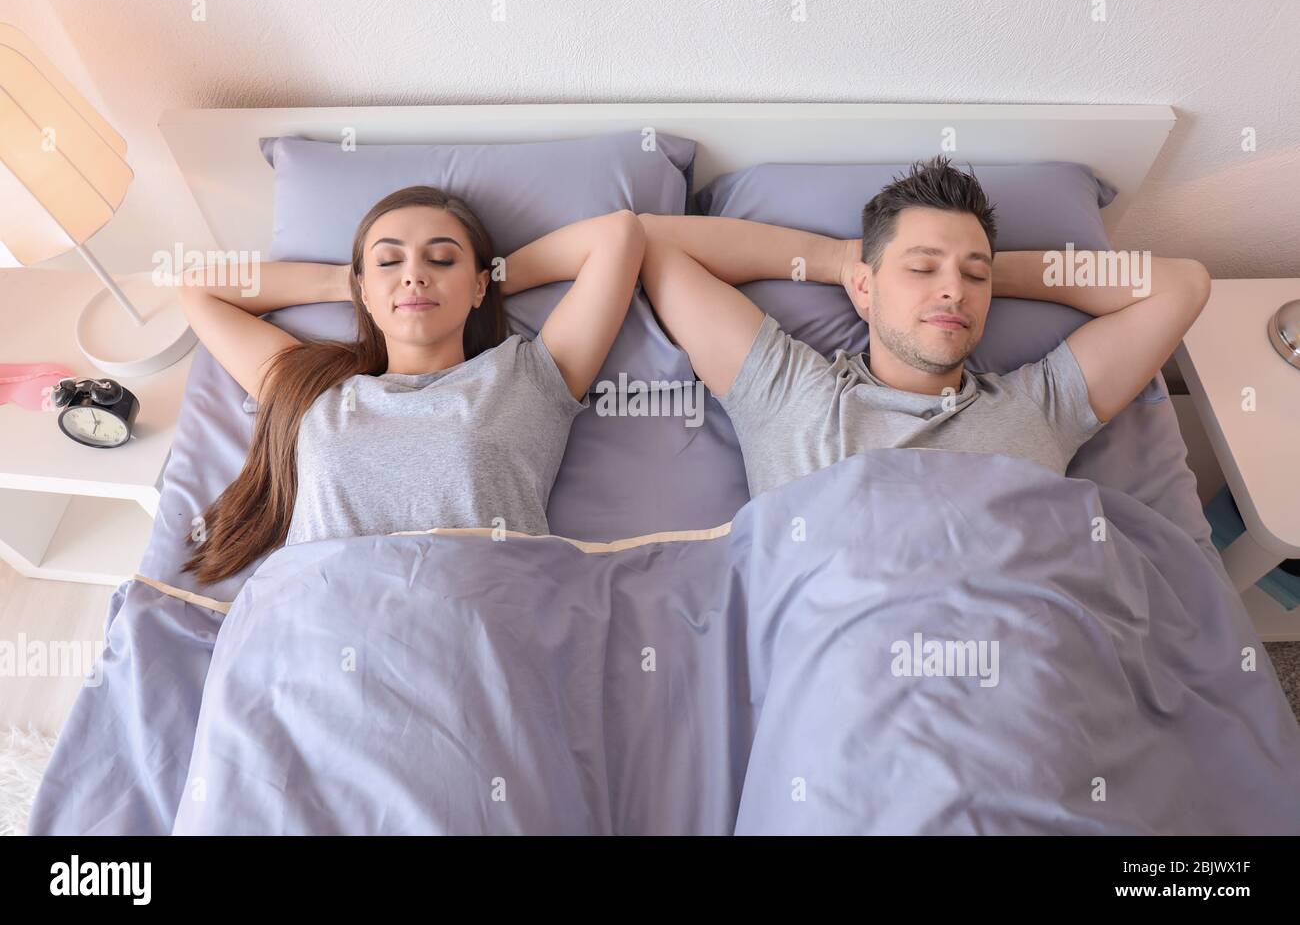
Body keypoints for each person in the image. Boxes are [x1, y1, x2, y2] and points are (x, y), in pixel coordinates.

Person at [636, 154, 1211, 500]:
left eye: (973, 277)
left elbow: (1181, 285)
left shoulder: (1039, 407)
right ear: (864, 288)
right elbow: (649, 240)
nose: (953, 290)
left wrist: (974, 272)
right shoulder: (788, 393)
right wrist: (840, 261)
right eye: (920, 267)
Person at [178, 186, 644, 583]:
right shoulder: (315, 392)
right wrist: (357, 283)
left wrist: (484, 282)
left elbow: (618, 235)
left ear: (481, 285)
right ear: (362, 287)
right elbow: (199, 290)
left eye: (441, 259)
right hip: (321, 633)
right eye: (388, 261)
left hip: (474, 632)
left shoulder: (529, 378)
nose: (415, 274)